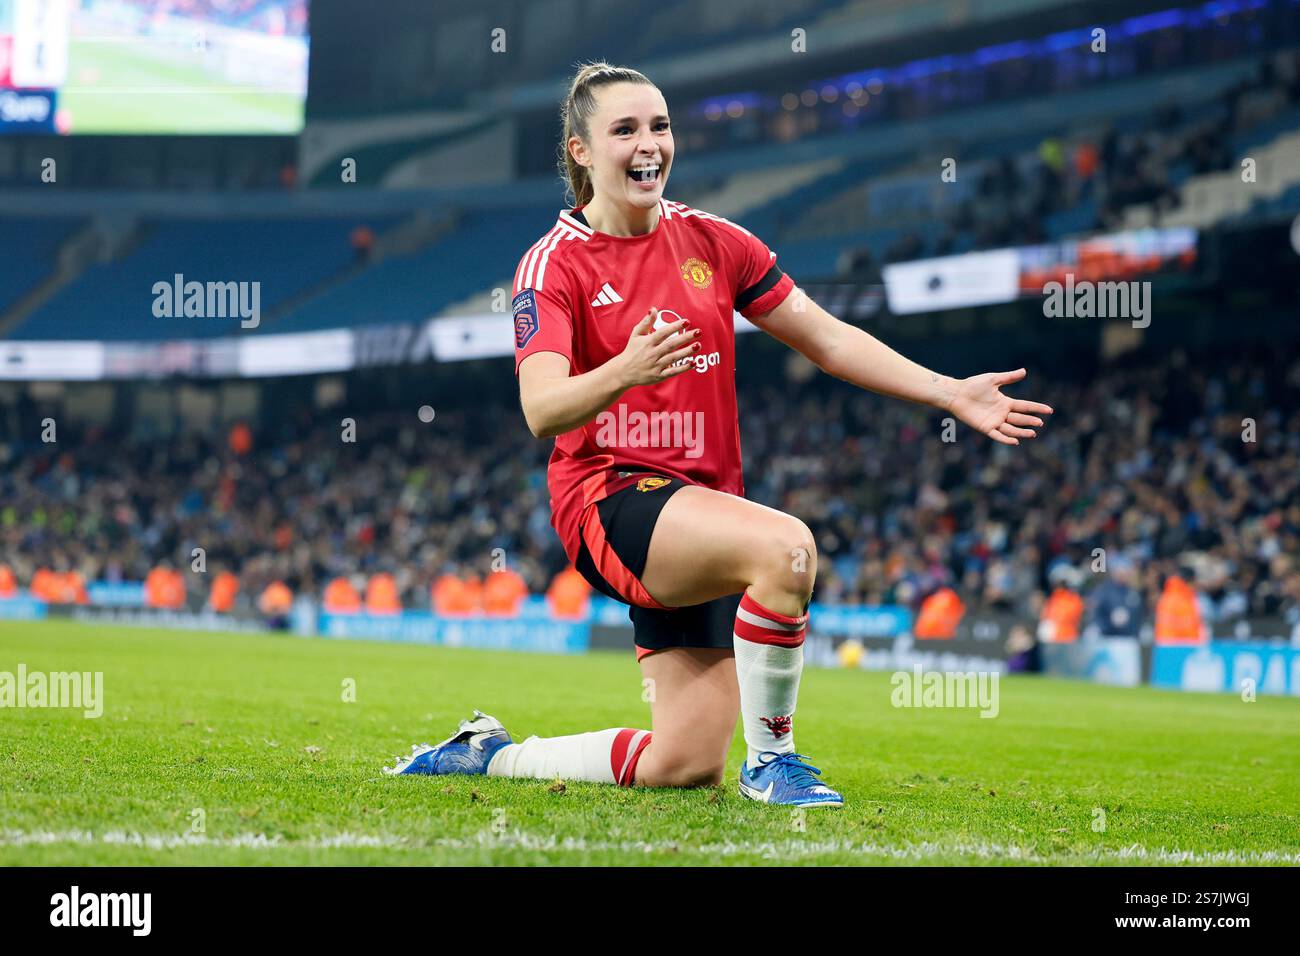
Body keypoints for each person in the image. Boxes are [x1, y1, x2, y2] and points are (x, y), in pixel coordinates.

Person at [386, 62, 1052, 807]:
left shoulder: (714, 240)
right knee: (787, 548)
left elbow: (828, 341)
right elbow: (542, 410)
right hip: (608, 501)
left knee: (683, 761)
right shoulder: (552, 265)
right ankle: (775, 763)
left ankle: (491, 756)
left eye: (661, 126)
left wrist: (949, 391)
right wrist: (628, 368)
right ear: (580, 151)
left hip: (699, 505)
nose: (650, 145)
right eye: (626, 130)